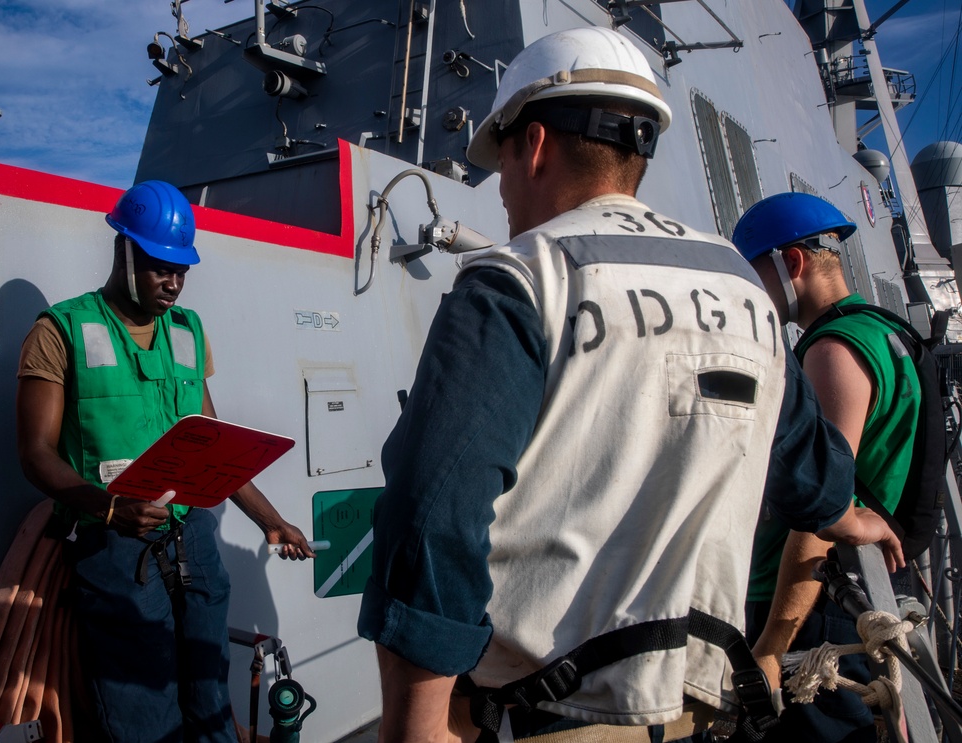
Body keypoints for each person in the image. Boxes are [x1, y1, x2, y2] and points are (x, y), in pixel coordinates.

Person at [357, 27, 791, 742]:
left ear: (531, 146)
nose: (498, 192)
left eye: (497, 164)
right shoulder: (741, 284)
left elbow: (431, 511)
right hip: (710, 711)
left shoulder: (520, 278)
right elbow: (805, 452)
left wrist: (417, 725)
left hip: (563, 715)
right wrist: (845, 509)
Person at [15, 180, 315, 742]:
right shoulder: (59, 331)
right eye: (159, 267)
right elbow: (34, 455)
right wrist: (108, 510)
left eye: (181, 270)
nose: (173, 283)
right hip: (113, 549)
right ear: (122, 251)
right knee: (142, 716)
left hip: (192, 540)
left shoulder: (188, 332)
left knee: (209, 699)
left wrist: (269, 520)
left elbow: (214, 445)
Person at [733, 191, 920, 742]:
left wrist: (770, 646)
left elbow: (821, 501)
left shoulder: (833, 350)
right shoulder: (885, 335)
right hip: (855, 593)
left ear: (791, 264)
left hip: (810, 607)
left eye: (754, 277)